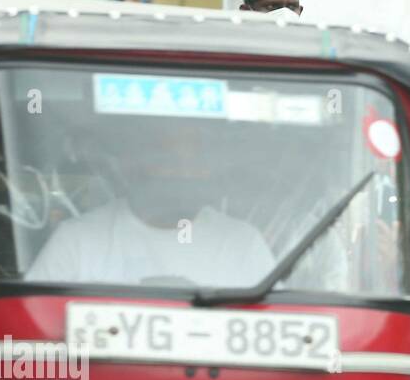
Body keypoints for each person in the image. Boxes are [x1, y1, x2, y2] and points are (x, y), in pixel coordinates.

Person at [26, 122, 275, 287]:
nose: (184, 173)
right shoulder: (77, 240)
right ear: (133, 165)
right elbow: (31, 330)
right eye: (170, 161)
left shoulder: (242, 243)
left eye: (194, 162)